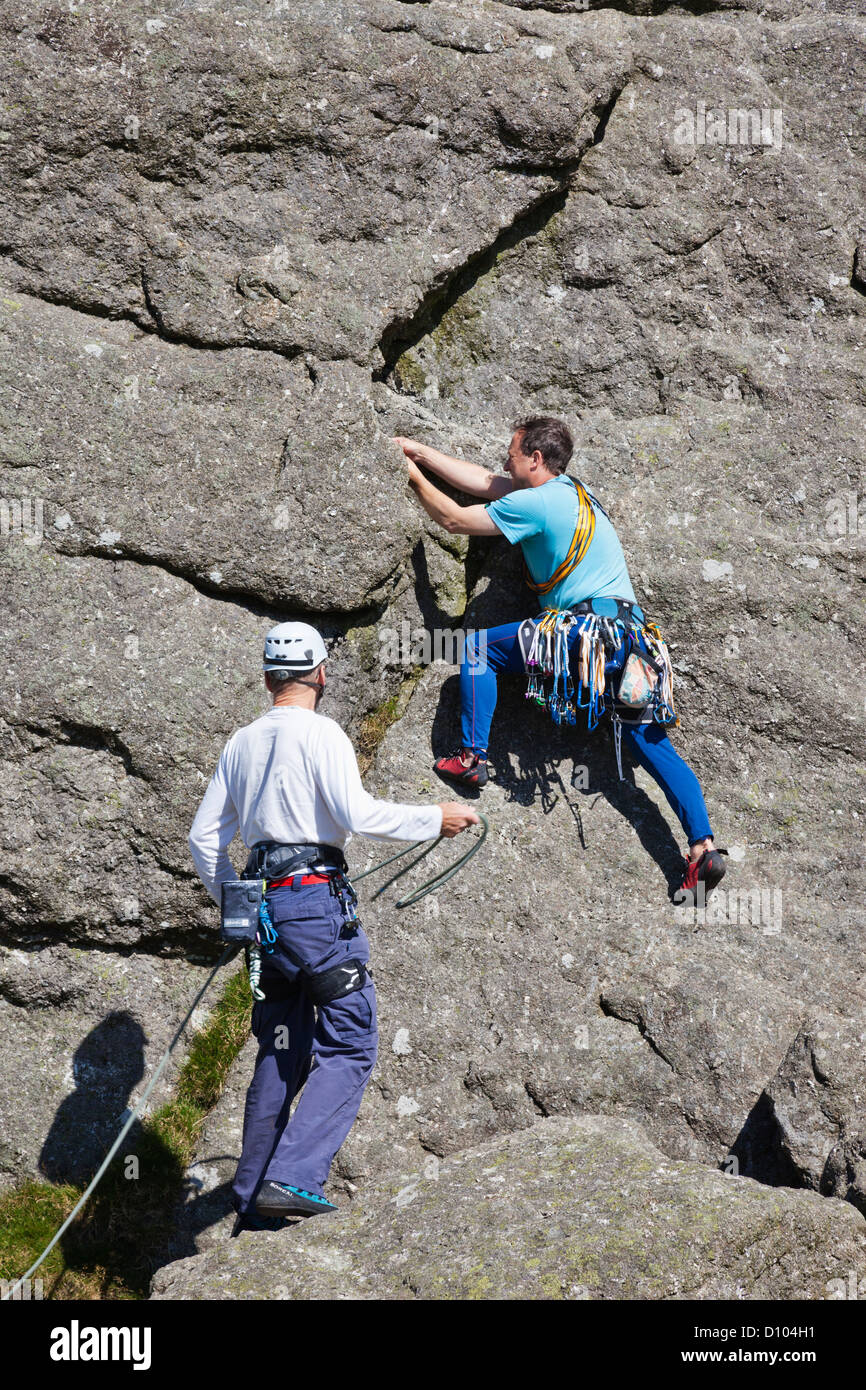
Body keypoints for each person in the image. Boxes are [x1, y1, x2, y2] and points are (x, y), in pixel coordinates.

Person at [188, 621, 478, 1229]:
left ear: (268, 677)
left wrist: (237, 902)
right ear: (321, 672)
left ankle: (251, 1192)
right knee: (350, 1039)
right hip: (316, 906)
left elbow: (203, 836)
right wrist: (437, 816)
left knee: (280, 1047)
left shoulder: (241, 743)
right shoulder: (322, 734)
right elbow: (357, 813)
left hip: (263, 913)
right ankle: (291, 1179)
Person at [395, 417, 725, 902]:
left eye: (512, 453)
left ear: (534, 458)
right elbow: (485, 484)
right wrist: (420, 450)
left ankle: (471, 757)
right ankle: (702, 845)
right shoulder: (574, 494)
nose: (505, 461)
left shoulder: (536, 502)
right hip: (631, 644)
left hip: (581, 636)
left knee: (475, 650)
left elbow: (455, 519)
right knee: (649, 742)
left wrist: (409, 475)